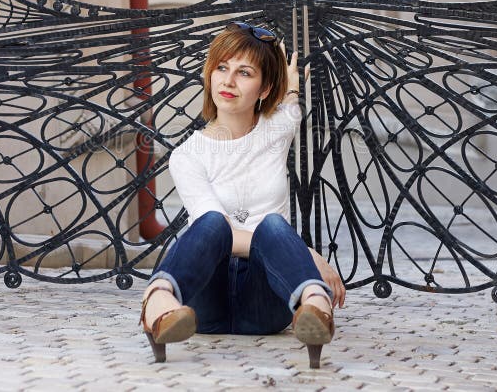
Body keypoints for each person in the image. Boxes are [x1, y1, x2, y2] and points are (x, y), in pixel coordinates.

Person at [139, 22, 346, 369]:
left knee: (273, 226)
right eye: (221, 67)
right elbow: (219, 235)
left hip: (265, 303)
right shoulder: (188, 155)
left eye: (244, 72)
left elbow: (291, 107)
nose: (228, 80)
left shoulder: (275, 132)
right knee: (211, 223)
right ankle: (158, 302)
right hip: (204, 300)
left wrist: (292, 88)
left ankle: (314, 308)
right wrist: (306, 255)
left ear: (264, 88)